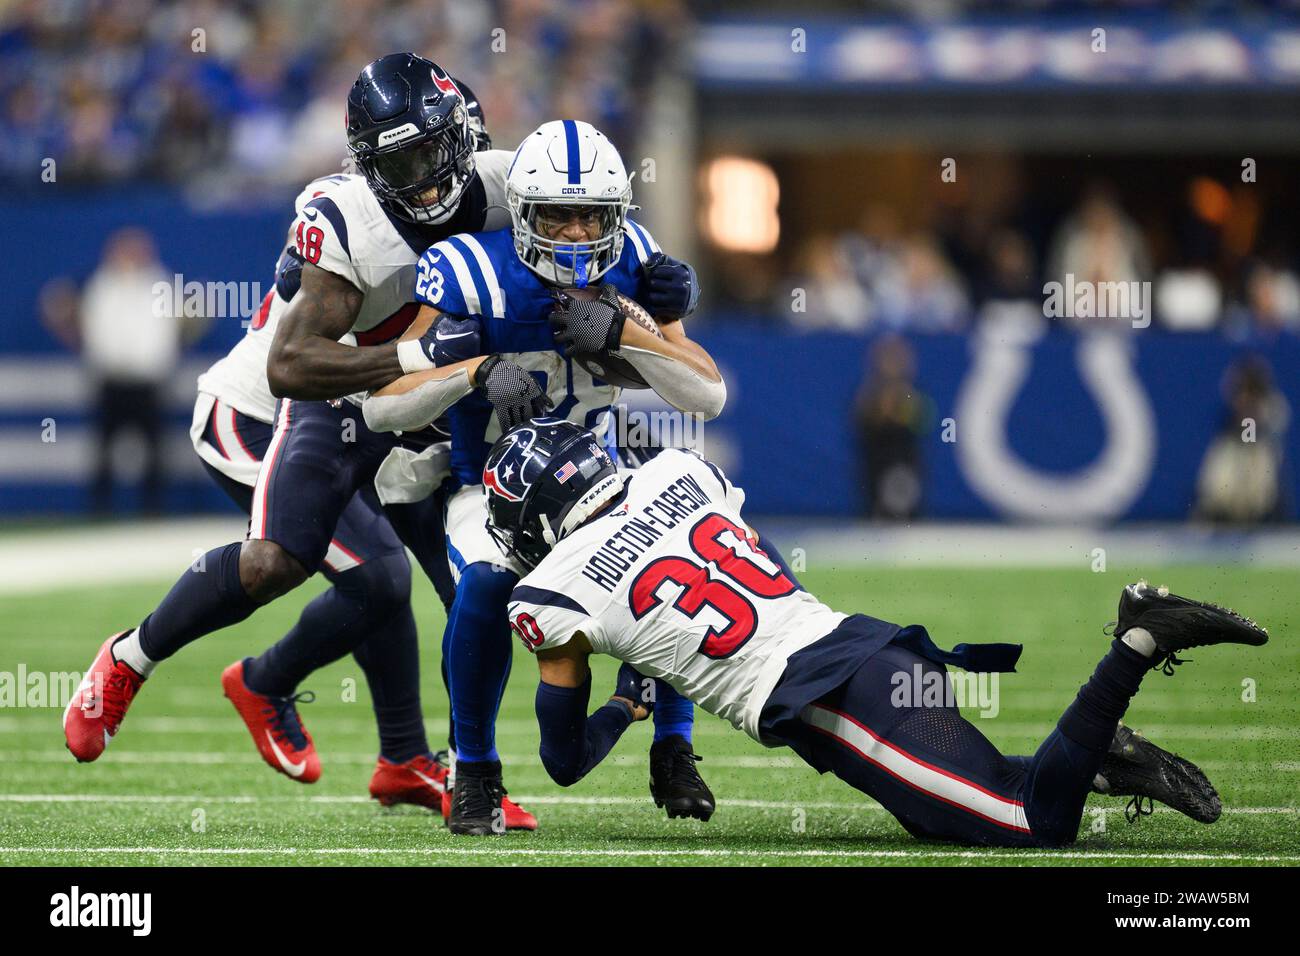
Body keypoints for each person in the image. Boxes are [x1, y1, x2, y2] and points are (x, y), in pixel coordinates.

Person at [62, 54, 540, 828]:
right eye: (398, 164)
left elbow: (583, 211)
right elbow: (291, 366)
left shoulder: (504, 187)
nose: (420, 180)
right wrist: (431, 355)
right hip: (265, 408)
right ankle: (142, 659)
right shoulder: (349, 216)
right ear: (366, 167)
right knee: (337, 571)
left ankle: (421, 764)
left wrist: (644, 278)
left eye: (429, 155)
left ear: (464, 137)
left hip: (395, 408)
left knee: (470, 587)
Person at [484, 418, 1269, 847]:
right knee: (950, 814)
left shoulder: (552, 592)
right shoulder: (675, 472)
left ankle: (1137, 643)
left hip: (828, 699)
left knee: (1028, 819)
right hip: (871, 648)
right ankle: (1104, 760)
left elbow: (562, 762)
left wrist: (628, 703)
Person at [361, 119, 724, 834]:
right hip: (491, 491)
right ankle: (475, 770)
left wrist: (627, 335)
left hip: (602, 480)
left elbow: (706, 394)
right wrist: (472, 369)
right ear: (522, 211)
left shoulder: (636, 261)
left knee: (683, 549)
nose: (577, 229)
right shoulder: (467, 268)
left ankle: (674, 745)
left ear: (618, 214)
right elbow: (381, 408)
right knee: (487, 585)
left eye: (592, 213)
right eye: (557, 212)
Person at [44, 228, 180, 514]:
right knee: (104, 449)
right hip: (111, 380)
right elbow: (78, 319)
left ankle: (152, 511)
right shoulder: (100, 285)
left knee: (153, 450)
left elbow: (165, 331)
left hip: (147, 381)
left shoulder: (159, 284)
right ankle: (99, 510)